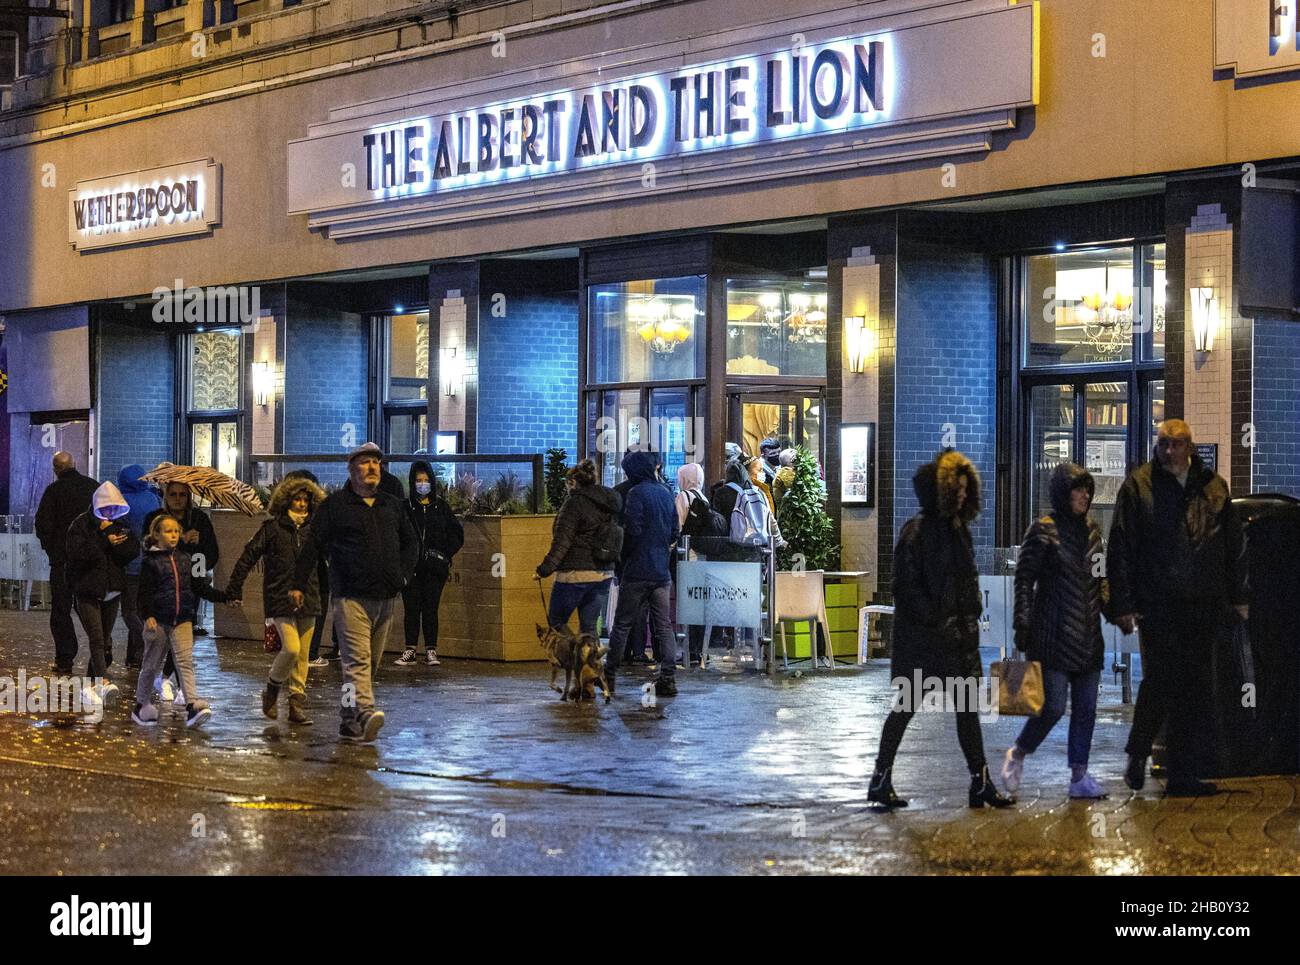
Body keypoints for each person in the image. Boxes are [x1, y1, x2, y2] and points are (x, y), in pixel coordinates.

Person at [1108, 419, 1248, 797]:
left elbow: (1232, 547)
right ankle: (1138, 753)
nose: (1169, 451)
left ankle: (1183, 774)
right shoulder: (1139, 486)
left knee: (1195, 688)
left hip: (1203, 604)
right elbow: (1120, 545)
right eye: (1164, 444)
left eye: (1177, 444)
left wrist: (1238, 597)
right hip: (1160, 603)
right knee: (1161, 680)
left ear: (1190, 447)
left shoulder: (1213, 488)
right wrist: (1122, 603)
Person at [867, 451, 1013, 810]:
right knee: (904, 710)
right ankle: (880, 778)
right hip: (924, 644)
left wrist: (968, 613)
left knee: (967, 714)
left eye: (966, 489)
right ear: (941, 491)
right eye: (956, 489)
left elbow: (963, 582)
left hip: (957, 643)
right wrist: (937, 619)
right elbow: (905, 588)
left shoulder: (956, 529)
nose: (962, 494)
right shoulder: (917, 532)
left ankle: (980, 782)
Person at [291, 443, 418, 743]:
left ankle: (348, 718)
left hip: (386, 597)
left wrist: (403, 575)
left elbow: (411, 544)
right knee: (357, 662)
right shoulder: (334, 507)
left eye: (376, 462)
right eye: (365, 463)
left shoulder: (392, 505)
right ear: (352, 470)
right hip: (350, 598)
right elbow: (312, 547)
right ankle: (365, 711)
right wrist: (297, 584)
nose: (372, 467)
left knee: (369, 665)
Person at [1001, 463, 1108, 800]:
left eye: (1087, 490)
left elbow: (1101, 581)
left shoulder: (1093, 533)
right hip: (1052, 636)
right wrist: (1022, 623)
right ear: (1063, 492)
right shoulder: (1042, 531)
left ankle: (1079, 775)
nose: (1085, 495)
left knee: (1087, 708)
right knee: (1053, 707)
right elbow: (1024, 580)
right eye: (1078, 489)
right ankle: (1018, 752)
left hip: (1089, 637)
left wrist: (1120, 611)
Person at [225, 474, 328, 725]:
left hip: (310, 595)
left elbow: (326, 563)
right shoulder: (272, 528)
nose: (302, 504)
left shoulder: (316, 530)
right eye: (297, 499)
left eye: (306, 500)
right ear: (286, 500)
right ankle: (272, 689)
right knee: (291, 648)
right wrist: (234, 587)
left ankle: (296, 703)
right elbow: (249, 556)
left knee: (302, 656)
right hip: (280, 596)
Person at [132, 515, 228, 729]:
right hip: (158, 620)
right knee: (151, 664)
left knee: (185, 662)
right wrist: (147, 615)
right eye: (168, 531)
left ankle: (192, 704)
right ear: (156, 534)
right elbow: (144, 593)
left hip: (182, 618)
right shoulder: (150, 562)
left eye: (176, 531)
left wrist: (224, 596)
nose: (173, 535)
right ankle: (141, 704)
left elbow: (198, 587)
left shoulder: (185, 558)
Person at [603, 450, 680, 697]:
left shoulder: (636, 493)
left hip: (637, 570)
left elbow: (632, 531)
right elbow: (674, 531)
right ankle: (668, 677)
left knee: (623, 623)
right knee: (663, 626)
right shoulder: (666, 492)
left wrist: (622, 557)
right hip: (661, 572)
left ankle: (609, 675)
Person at [64, 480, 140, 707]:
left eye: (113, 509)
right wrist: (105, 541)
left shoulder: (121, 525)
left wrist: (114, 542)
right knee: (97, 638)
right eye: (105, 509)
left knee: (105, 641)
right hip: (87, 590)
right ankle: (104, 680)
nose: (109, 513)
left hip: (112, 590)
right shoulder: (81, 525)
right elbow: (78, 553)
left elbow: (130, 552)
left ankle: (90, 685)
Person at [535, 459, 621, 637]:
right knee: (589, 628)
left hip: (574, 574)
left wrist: (544, 570)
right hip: (603, 573)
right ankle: (590, 664)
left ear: (573, 482)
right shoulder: (609, 502)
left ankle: (567, 660)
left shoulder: (574, 504)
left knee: (556, 624)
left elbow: (562, 542)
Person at [34, 452, 99, 674]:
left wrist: (52, 551)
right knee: (89, 608)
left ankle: (65, 659)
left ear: (55, 469)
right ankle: (101, 651)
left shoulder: (53, 491)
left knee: (61, 610)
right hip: (90, 562)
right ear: (75, 464)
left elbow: (43, 525)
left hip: (62, 561)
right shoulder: (93, 487)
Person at [396, 461, 464, 666]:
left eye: (426, 480)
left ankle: (431, 650)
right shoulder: (405, 507)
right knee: (411, 608)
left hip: (435, 568)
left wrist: (444, 554)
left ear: (432, 482)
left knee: (431, 608)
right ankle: (410, 649)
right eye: (418, 480)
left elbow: (456, 535)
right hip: (412, 568)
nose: (422, 484)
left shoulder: (441, 507)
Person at [144, 482, 220, 636]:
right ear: (166, 496)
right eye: (173, 494)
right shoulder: (154, 518)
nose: (178, 499)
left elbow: (211, 553)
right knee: (157, 638)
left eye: (182, 494)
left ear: (189, 497)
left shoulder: (199, 519)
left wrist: (199, 547)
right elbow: (147, 546)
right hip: (161, 585)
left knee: (182, 639)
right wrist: (181, 540)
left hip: (190, 585)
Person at [116, 465, 161, 668]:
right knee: (141, 608)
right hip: (150, 562)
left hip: (129, 564)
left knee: (129, 611)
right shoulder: (153, 499)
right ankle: (134, 657)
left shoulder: (121, 502)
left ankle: (144, 644)